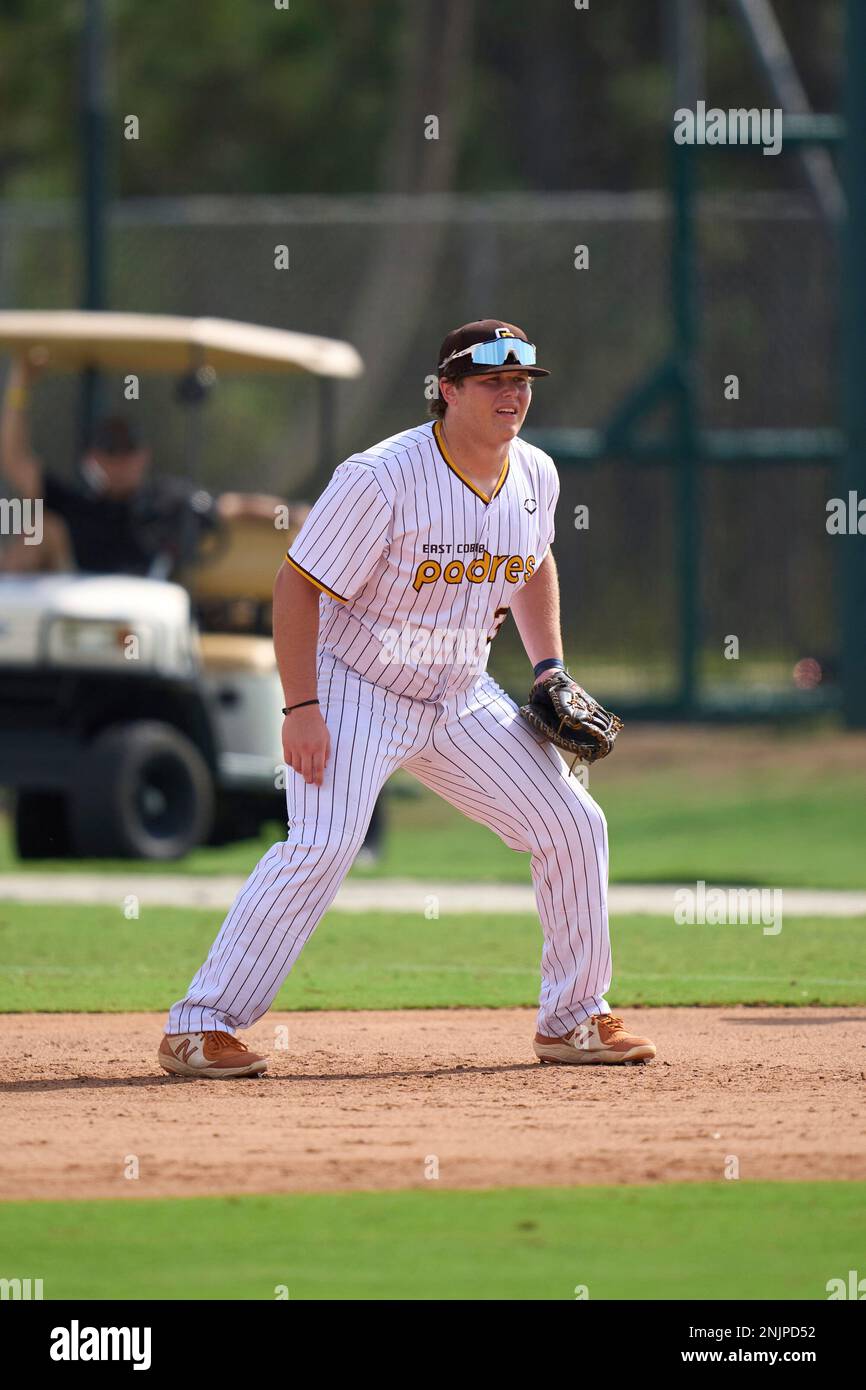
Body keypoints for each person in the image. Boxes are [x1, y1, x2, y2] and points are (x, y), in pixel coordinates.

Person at [157, 319, 657, 1079]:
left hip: (460, 694)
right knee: (323, 845)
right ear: (447, 390)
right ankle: (199, 1025)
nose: (513, 394)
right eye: (493, 380)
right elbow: (296, 585)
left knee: (573, 823)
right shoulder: (381, 477)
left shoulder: (536, 475)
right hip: (358, 686)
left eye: (522, 381)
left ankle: (574, 1020)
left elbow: (533, 560)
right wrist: (301, 709)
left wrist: (549, 666)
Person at [0, 354, 275, 577]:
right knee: (37, 531)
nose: (120, 458)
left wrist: (297, 515)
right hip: (73, 618)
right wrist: (19, 383)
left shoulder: (167, 500)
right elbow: (14, 459)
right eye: (110, 448)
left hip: (146, 617)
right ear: (92, 458)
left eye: (128, 448)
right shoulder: (75, 505)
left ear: (144, 454)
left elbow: (234, 506)